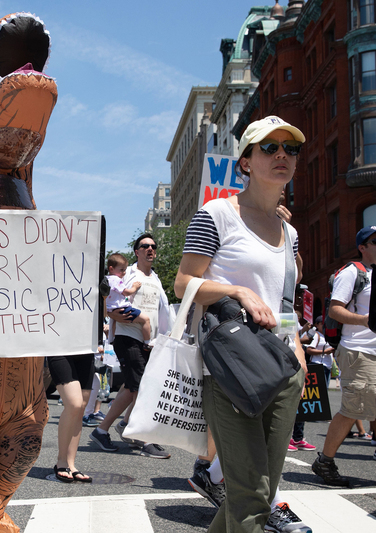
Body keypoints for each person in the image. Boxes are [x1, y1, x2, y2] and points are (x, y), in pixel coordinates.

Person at [175, 115, 309, 532]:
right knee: (251, 494)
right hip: (231, 366)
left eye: (290, 148)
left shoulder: (289, 232)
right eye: (269, 148)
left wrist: (299, 361)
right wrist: (237, 292)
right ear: (246, 162)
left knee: (255, 491)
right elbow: (183, 283)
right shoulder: (217, 214)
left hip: (284, 366)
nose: (282, 155)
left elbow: (284, 300)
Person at [89, 233, 173, 459]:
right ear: (137, 251)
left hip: (148, 341)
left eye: (154, 246)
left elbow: (162, 311)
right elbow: (107, 298)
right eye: (145, 246)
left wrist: (166, 337)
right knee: (141, 388)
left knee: (131, 387)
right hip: (128, 337)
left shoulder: (155, 278)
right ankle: (146, 440)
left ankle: (105, 429)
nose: (150, 250)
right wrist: (113, 314)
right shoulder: (128, 274)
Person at [312, 226, 376, 486]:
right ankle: (325, 462)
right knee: (353, 409)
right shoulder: (353, 273)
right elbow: (335, 309)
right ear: (363, 246)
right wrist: (365, 320)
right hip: (359, 350)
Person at [48, 354, 94, 482]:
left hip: (85, 349)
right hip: (60, 348)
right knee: (74, 404)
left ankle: (71, 464)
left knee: (81, 408)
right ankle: (61, 461)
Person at [105, 253, 151, 343]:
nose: (124, 273)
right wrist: (135, 287)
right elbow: (126, 292)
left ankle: (113, 339)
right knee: (145, 319)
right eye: (121, 270)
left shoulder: (106, 279)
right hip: (123, 308)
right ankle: (148, 341)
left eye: (125, 270)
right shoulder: (116, 279)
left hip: (111, 308)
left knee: (114, 321)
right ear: (111, 269)